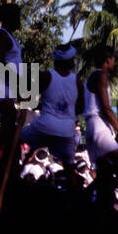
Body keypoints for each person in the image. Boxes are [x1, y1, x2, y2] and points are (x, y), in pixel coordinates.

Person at [19, 44, 83, 183]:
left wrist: (22, 117)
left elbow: (27, 96)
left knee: (14, 136)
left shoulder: (47, 75)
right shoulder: (77, 81)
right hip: (66, 130)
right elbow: (80, 108)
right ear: (69, 62)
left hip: (45, 125)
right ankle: (75, 199)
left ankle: (10, 173)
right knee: (69, 168)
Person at [82, 45, 118, 207]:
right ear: (108, 60)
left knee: (105, 175)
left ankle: (102, 201)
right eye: (114, 59)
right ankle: (87, 192)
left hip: (93, 126)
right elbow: (107, 109)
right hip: (98, 125)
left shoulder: (91, 77)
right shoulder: (101, 76)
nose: (115, 62)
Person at [0, 2, 24, 159]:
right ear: (10, 18)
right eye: (18, 17)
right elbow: (0, 63)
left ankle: (4, 159)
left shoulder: (8, 36)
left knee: (9, 122)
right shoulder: (1, 35)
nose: (20, 21)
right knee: (9, 118)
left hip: (7, 86)